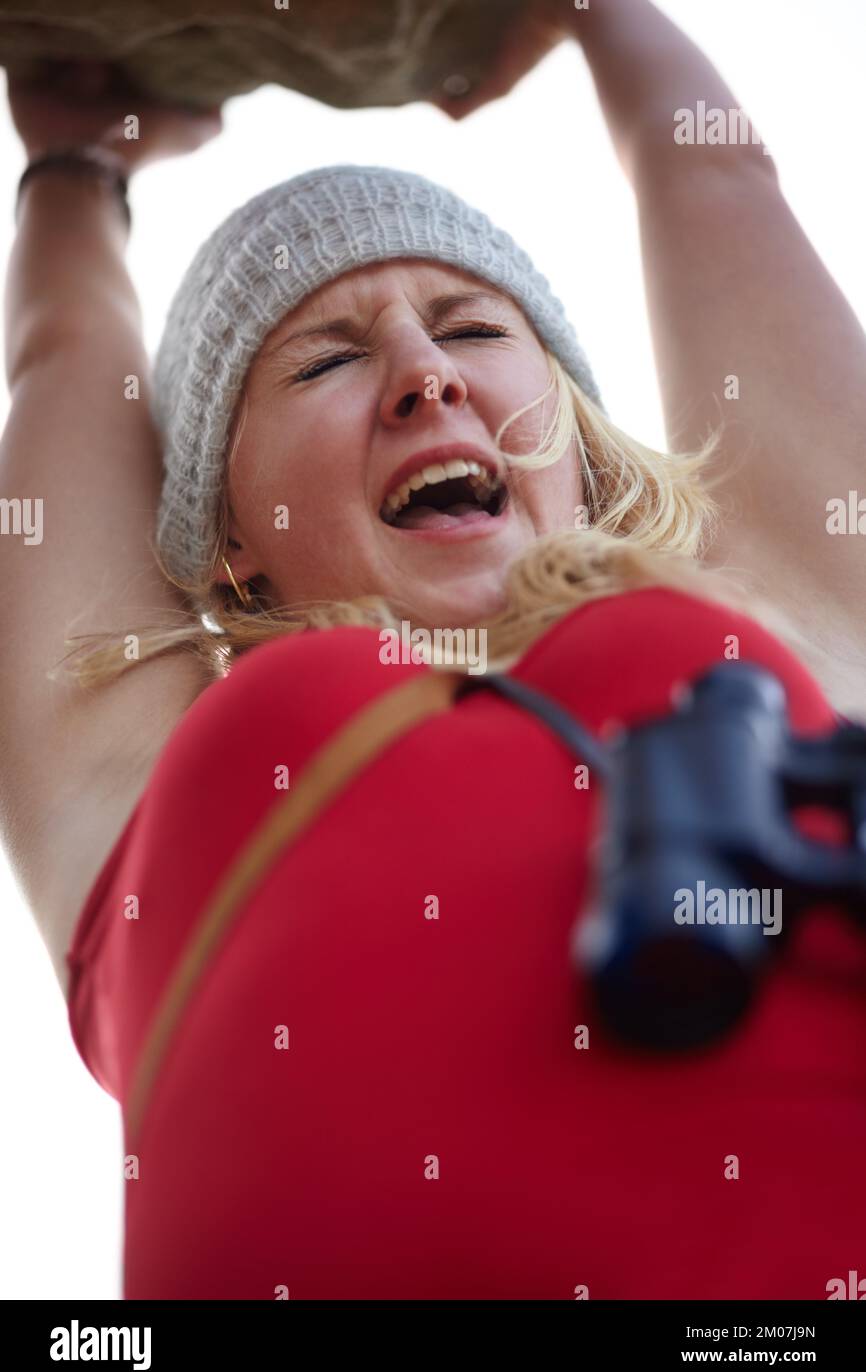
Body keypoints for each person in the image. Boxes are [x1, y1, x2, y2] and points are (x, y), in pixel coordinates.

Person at [1, 1, 864, 1301]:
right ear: (230, 537)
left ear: (570, 442)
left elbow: (714, 171)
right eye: (324, 361)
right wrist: (76, 164)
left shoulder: (785, 619)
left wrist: (590, 7)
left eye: (470, 328)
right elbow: (66, 357)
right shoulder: (144, 789)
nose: (423, 375)